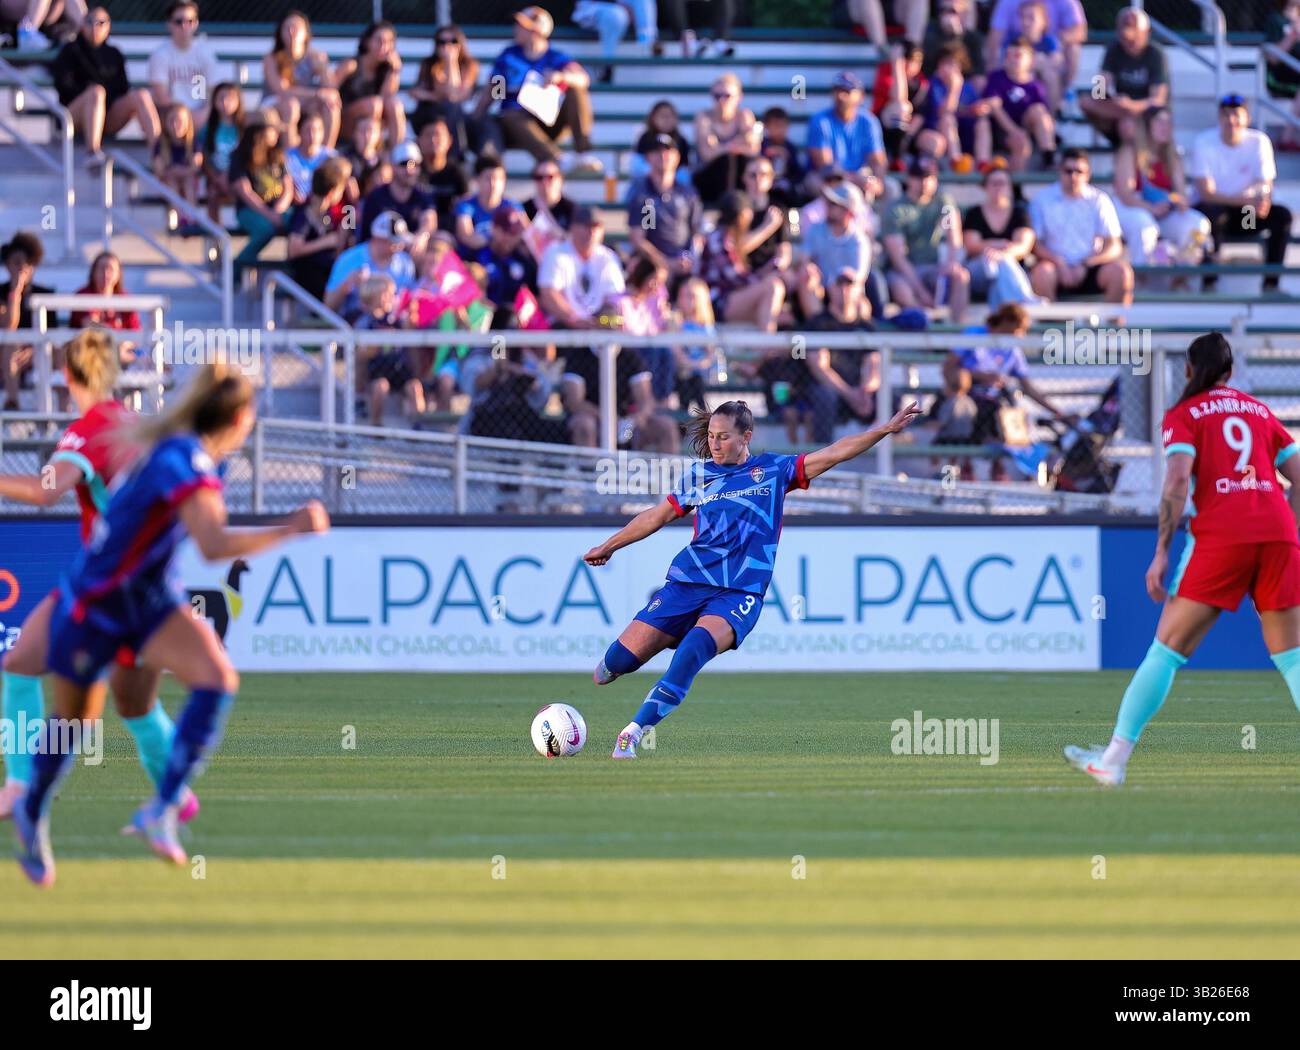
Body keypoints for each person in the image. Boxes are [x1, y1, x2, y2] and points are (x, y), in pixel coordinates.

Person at [12, 365, 329, 884]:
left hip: (151, 600)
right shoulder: (183, 459)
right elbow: (213, 545)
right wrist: (292, 528)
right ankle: (33, 808)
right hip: (97, 600)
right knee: (75, 723)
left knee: (216, 678)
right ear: (241, 418)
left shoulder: (186, 453)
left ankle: (162, 808)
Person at [583, 397, 922, 759]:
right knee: (613, 666)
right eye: (711, 435)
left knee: (692, 650)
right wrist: (610, 545)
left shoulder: (774, 470)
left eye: (724, 437)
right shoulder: (699, 476)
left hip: (738, 592)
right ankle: (662, 638)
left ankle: (632, 733)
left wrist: (884, 430)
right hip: (688, 583)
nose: (714, 443)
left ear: (747, 437)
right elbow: (657, 516)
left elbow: (834, 453)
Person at [1066, 333, 1300, 787]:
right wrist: (1287, 527)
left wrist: (1160, 553)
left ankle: (1113, 759)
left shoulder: (1184, 415)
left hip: (1222, 534)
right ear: (1230, 373)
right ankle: (1111, 759)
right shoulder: (1259, 412)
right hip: (1276, 533)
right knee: (1292, 659)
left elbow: (1176, 483)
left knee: (1167, 651)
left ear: (1188, 371)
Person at [0, 331, 199, 826]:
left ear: (67, 376)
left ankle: (20, 785)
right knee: (134, 705)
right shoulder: (137, 424)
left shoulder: (89, 429)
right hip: (147, 585)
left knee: (21, 664)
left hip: (107, 589)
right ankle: (177, 790)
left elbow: (47, 491)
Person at [476, 6, 603, 173]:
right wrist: (481, 110)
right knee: (510, 114)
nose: (516, 29)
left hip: (549, 118)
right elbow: (495, 90)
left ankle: (583, 151)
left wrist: (561, 77)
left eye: (522, 26)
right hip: (517, 122)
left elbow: (583, 79)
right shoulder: (508, 56)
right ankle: (557, 159)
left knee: (576, 91)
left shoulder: (556, 57)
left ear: (536, 31)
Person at [1189, 95, 1293, 294]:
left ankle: (1271, 284)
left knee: (1282, 217)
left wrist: (1264, 203)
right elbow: (1205, 194)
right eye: (1226, 115)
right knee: (1211, 215)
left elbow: (1266, 183)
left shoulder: (1259, 142)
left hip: (1247, 216)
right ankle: (1209, 282)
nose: (1231, 120)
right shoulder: (1204, 142)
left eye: (1236, 114)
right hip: (1217, 213)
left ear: (1248, 118)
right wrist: (1247, 200)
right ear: (1219, 118)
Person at [52, 6, 160, 168]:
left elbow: (123, 88)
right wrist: (92, 91)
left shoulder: (114, 54)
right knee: (96, 92)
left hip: (108, 117)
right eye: (90, 22)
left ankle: (160, 153)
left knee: (142, 95)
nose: (95, 27)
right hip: (74, 118)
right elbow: (64, 87)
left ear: (108, 26)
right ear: (82, 25)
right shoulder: (69, 51)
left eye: (101, 22)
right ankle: (92, 152)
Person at [1028, 148, 1132, 305]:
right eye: (1068, 171)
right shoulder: (1042, 200)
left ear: (1088, 174)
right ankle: (1052, 327)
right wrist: (1059, 263)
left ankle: (1114, 328)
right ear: (1059, 171)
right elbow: (1035, 244)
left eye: (1079, 171)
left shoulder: (1099, 200)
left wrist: (1086, 264)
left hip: (1091, 267)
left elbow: (1114, 246)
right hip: (1055, 267)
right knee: (1042, 273)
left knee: (1122, 273)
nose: (1073, 176)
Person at [1111, 106, 1211, 267]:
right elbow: (1125, 194)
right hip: (1132, 208)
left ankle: (1181, 273)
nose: (1165, 127)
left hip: (1162, 210)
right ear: (1146, 125)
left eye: (1168, 122)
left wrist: (1177, 202)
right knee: (1145, 227)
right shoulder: (1129, 152)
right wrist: (1150, 208)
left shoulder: (1173, 156)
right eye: (1159, 122)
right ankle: (1141, 278)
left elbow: (1180, 194)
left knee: (1198, 224)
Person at [881, 155, 969, 321]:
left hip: (934, 267)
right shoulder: (896, 209)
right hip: (905, 271)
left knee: (960, 276)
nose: (924, 182)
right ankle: (923, 327)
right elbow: (899, 259)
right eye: (918, 177)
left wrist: (951, 263)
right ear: (909, 179)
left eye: (929, 177)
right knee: (901, 288)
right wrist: (920, 291)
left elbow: (954, 236)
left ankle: (958, 333)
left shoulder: (943, 201)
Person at [1079, 6, 1169, 146]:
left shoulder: (1156, 54)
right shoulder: (1114, 48)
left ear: (1145, 33)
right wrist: (1109, 99)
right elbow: (1099, 86)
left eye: (1134, 37)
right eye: (1125, 37)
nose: (1129, 42)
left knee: (1128, 125)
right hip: (1120, 108)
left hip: (1145, 111)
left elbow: (1158, 100)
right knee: (1085, 101)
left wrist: (1132, 106)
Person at [699, 190, 786, 333]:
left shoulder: (729, 238)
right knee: (773, 287)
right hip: (717, 303)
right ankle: (768, 349)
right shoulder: (718, 239)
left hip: (731, 299)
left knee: (783, 316)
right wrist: (768, 275)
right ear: (742, 215)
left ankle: (769, 349)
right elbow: (737, 278)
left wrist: (771, 269)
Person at [410, 24, 501, 159]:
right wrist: (440, 96)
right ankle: (453, 158)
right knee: (448, 110)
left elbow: (454, 94)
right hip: (429, 114)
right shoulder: (428, 64)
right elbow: (416, 92)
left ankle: (458, 159)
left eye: (453, 42)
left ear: (460, 44)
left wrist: (450, 62)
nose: (447, 47)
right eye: (442, 42)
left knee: (454, 110)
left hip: (457, 116)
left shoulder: (469, 65)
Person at [625, 133, 703, 292]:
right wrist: (666, 263)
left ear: (677, 157)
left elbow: (696, 232)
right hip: (653, 266)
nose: (663, 155)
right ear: (647, 157)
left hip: (684, 264)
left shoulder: (687, 193)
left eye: (668, 151)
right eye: (656, 151)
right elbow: (639, 239)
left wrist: (689, 259)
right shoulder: (644, 195)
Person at [962, 158, 1039, 305]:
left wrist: (1000, 255)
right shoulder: (974, 213)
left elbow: (1023, 246)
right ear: (985, 187)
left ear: (1009, 187)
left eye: (1002, 183)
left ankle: (1001, 323)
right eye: (994, 183)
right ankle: (1026, 298)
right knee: (998, 263)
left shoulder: (1020, 213)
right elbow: (971, 245)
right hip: (979, 270)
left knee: (999, 278)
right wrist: (1000, 245)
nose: (998, 188)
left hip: (1006, 270)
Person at [263, 9, 341, 149]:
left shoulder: (314, 56)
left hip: (305, 102)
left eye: (297, 28)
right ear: (280, 33)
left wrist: (323, 69)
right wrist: (317, 94)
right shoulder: (272, 58)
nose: (292, 32)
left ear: (306, 33)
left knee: (331, 104)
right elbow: (282, 91)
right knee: (291, 106)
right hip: (275, 102)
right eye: (287, 28)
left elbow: (330, 89)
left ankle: (325, 154)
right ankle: (290, 156)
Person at [985, 0, 1085, 107]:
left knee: (1050, 76)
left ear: (1044, 22)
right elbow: (1004, 56)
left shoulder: (1049, 41)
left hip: (1043, 72)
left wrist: (1040, 63)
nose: (1026, 22)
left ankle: (1052, 115)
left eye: (1031, 18)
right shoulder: (1014, 41)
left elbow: (1056, 60)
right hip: (1017, 75)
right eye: (1022, 17)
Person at [978, 34, 1056, 171]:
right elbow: (994, 107)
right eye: (1008, 55)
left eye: (1018, 55)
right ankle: (1016, 187)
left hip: (1027, 128)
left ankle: (1048, 156)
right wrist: (1015, 131)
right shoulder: (996, 78)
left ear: (1030, 61)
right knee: (1021, 142)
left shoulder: (1036, 86)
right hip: (1001, 130)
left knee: (1038, 111)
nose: (1012, 59)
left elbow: (1044, 115)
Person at [230, 109, 293, 272]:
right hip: (249, 211)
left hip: (277, 210)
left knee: (299, 223)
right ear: (259, 132)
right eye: (273, 130)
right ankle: (235, 268)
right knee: (265, 230)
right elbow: (245, 192)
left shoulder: (277, 155)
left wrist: (278, 210)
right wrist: (270, 214)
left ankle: (295, 272)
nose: (277, 134)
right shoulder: (239, 157)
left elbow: (288, 187)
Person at [324, 210, 416, 315]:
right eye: (394, 242)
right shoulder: (349, 259)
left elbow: (409, 304)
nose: (400, 246)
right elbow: (328, 305)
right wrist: (348, 284)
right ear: (378, 239)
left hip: (392, 328)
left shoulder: (405, 263)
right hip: (352, 328)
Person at [805, 71, 887, 189]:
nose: (840, 96)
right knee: (815, 183)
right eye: (837, 91)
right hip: (828, 178)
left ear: (861, 96)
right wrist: (855, 180)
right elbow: (825, 166)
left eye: (846, 91)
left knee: (891, 188)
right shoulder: (820, 121)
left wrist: (877, 182)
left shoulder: (869, 121)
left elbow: (878, 161)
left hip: (860, 177)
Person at [0, 231, 52, 410]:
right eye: (16, 262)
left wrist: (32, 350)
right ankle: (12, 401)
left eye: (27, 262)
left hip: (37, 353)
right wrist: (15, 291)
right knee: (11, 345)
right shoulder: (1, 292)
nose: (22, 267)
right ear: (7, 264)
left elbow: (51, 334)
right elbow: (8, 326)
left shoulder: (45, 294)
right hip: (5, 353)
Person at [286, 157, 351, 301]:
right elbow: (293, 250)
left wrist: (353, 203)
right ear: (332, 192)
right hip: (309, 274)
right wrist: (325, 242)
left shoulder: (339, 211)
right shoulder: (304, 212)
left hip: (328, 270)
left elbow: (342, 240)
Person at [692, 73, 761, 206]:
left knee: (746, 164)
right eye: (717, 96)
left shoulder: (745, 116)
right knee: (727, 160)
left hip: (739, 179)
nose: (722, 101)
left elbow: (754, 150)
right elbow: (706, 155)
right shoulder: (703, 117)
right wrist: (737, 144)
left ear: (739, 97)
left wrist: (720, 147)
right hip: (710, 182)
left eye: (727, 96)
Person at [334, 20, 404, 149]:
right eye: (379, 40)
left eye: (389, 42)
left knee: (395, 105)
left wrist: (394, 72)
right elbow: (330, 90)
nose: (384, 46)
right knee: (373, 104)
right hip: (343, 122)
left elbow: (386, 100)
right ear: (367, 41)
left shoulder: (387, 70)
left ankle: (397, 153)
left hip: (374, 123)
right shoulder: (351, 65)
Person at [147, 1, 218, 123]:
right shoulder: (160, 54)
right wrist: (184, 118)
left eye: (190, 21)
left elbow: (214, 92)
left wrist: (203, 114)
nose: (185, 26)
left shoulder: (206, 53)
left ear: (196, 23)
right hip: (172, 118)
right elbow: (162, 97)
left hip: (201, 117)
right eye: (179, 22)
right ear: (169, 24)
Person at [360, 140, 437, 246]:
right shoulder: (376, 197)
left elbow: (429, 220)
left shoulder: (423, 196)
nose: (409, 170)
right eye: (403, 164)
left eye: (414, 164)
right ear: (393, 166)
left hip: (412, 251)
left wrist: (422, 236)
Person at [69, 251, 141, 361]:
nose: (106, 274)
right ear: (93, 272)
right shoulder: (83, 295)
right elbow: (91, 326)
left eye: (111, 269)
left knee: (146, 356)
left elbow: (135, 335)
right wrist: (118, 340)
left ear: (118, 274)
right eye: (101, 268)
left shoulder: (125, 299)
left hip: (122, 350)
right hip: (89, 353)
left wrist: (124, 344)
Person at [416, 117, 470, 235]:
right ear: (419, 140)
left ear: (449, 141)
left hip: (450, 235)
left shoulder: (458, 173)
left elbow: (465, 207)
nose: (433, 140)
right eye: (428, 135)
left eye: (438, 135)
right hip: (419, 233)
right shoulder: (412, 172)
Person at [200, 81, 244, 223]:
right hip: (216, 179)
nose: (225, 102)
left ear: (238, 101)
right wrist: (216, 177)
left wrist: (231, 176)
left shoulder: (243, 129)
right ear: (214, 101)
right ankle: (216, 236)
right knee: (212, 194)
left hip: (239, 178)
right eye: (221, 98)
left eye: (230, 98)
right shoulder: (207, 129)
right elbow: (204, 158)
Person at [152, 102, 203, 205]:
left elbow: (196, 166)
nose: (175, 125)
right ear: (165, 123)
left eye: (179, 121)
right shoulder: (160, 144)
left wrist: (180, 172)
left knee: (188, 182)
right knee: (171, 181)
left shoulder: (193, 143)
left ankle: (190, 217)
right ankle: (180, 216)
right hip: (168, 182)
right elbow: (159, 169)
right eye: (171, 121)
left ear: (187, 123)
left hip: (189, 180)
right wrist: (172, 173)